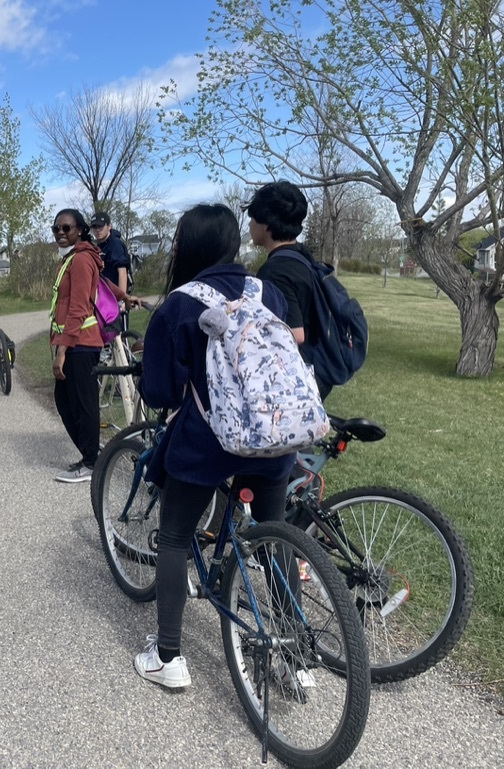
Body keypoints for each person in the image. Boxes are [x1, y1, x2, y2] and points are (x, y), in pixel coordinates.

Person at [134, 203, 297, 688]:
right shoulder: (267, 291)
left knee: (176, 536)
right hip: (272, 435)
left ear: (189, 247)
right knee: (274, 533)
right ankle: (294, 653)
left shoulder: (180, 303)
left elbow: (161, 392)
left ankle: (168, 657)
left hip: (209, 441)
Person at [49, 209, 139, 483]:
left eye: (67, 228)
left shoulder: (80, 259)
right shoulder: (80, 257)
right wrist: (124, 295)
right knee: (67, 401)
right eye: (57, 229)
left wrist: (62, 351)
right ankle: (91, 453)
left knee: (82, 403)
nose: (61, 234)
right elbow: (101, 284)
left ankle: (91, 462)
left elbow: (78, 307)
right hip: (73, 342)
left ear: (80, 230)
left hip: (80, 343)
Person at [246, 180, 331, 399]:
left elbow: (295, 334)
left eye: (252, 218)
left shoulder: (276, 270)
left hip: (297, 376)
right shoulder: (300, 255)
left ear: (265, 223)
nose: (249, 225)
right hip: (317, 365)